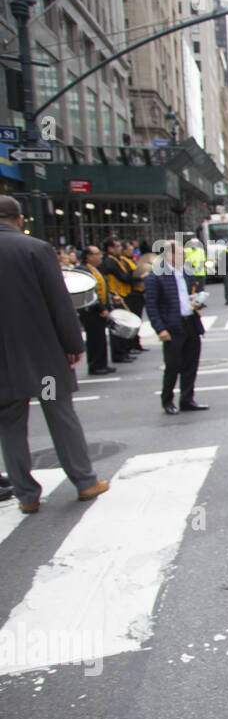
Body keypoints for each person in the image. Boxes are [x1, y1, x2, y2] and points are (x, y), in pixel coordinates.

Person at [0, 195, 110, 513]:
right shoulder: (35, 249)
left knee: (9, 425)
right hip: (42, 353)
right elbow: (59, 301)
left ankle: (27, 496)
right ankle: (84, 481)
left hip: (4, 362)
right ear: (20, 219)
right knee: (59, 413)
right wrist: (74, 344)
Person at [145, 239, 209, 415]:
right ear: (169, 255)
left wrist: (198, 303)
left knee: (191, 364)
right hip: (172, 326)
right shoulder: (156, 276)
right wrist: (160, 329)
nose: (186, 255)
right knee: (173, 365)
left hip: (191, 322)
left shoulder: (186, 272)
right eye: (181, 253)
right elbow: (151, 306)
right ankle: (167, 400)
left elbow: (189, 295)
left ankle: (187, 399)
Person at [76, 245, 114, 376]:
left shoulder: (95, 269)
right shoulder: (83, 270)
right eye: (97, 254)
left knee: (101, 338)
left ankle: (102, 364)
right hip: (91, 310)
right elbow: (90, 292)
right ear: (88, 256)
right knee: (94, 339)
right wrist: (101, 308)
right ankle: (95, 365)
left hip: (98, 309)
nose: (100, 256)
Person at [100, 236, 140, 362]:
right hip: (116, 295)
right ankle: (119, 354)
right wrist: (139, 277)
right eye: (117, 246)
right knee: (118, 326)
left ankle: (124, 351)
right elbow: (124, 277)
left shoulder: (117, 260)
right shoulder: (110, 261)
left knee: (123, 324)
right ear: (110, 248)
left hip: (122, 294)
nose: (120, 249)